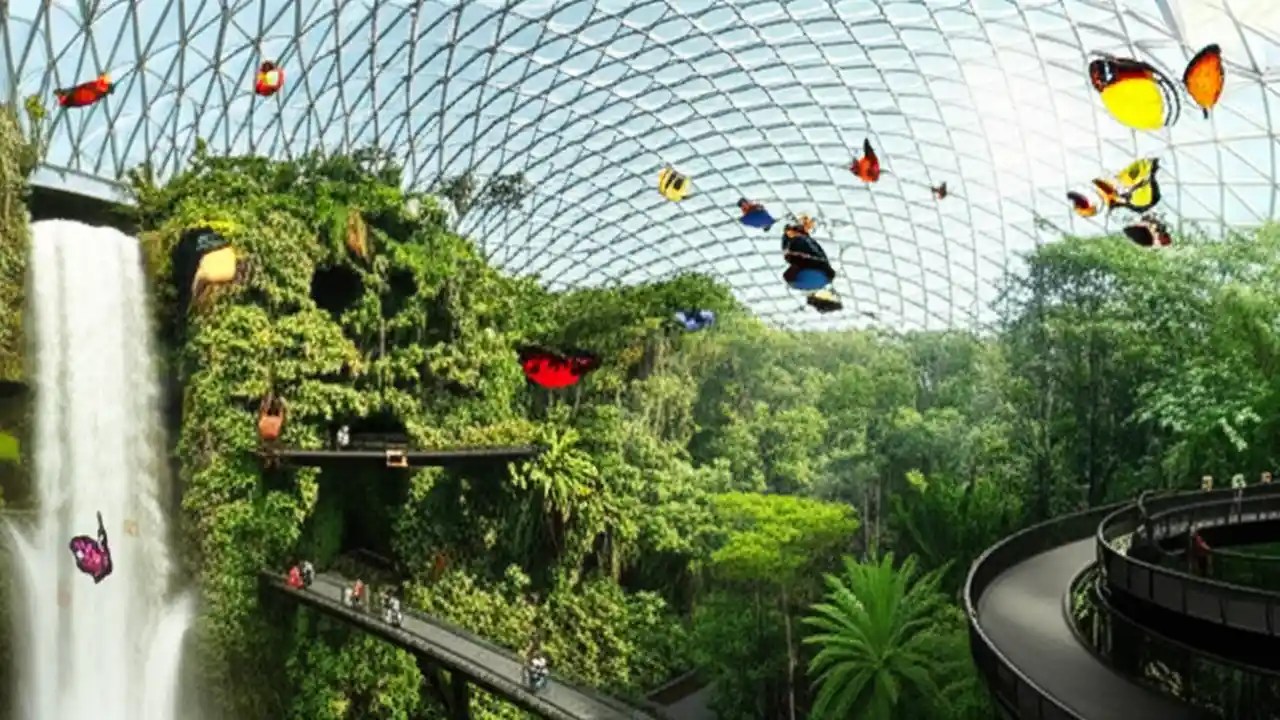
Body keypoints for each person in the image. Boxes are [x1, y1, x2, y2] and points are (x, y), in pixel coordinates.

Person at [68, 511, 114, 584]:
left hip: (96, 559)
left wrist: (100, 524)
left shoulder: (86, 561)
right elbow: (102, 541)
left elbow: (102, 541)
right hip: (96, 559)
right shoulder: (88, 561)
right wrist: (100, 524)